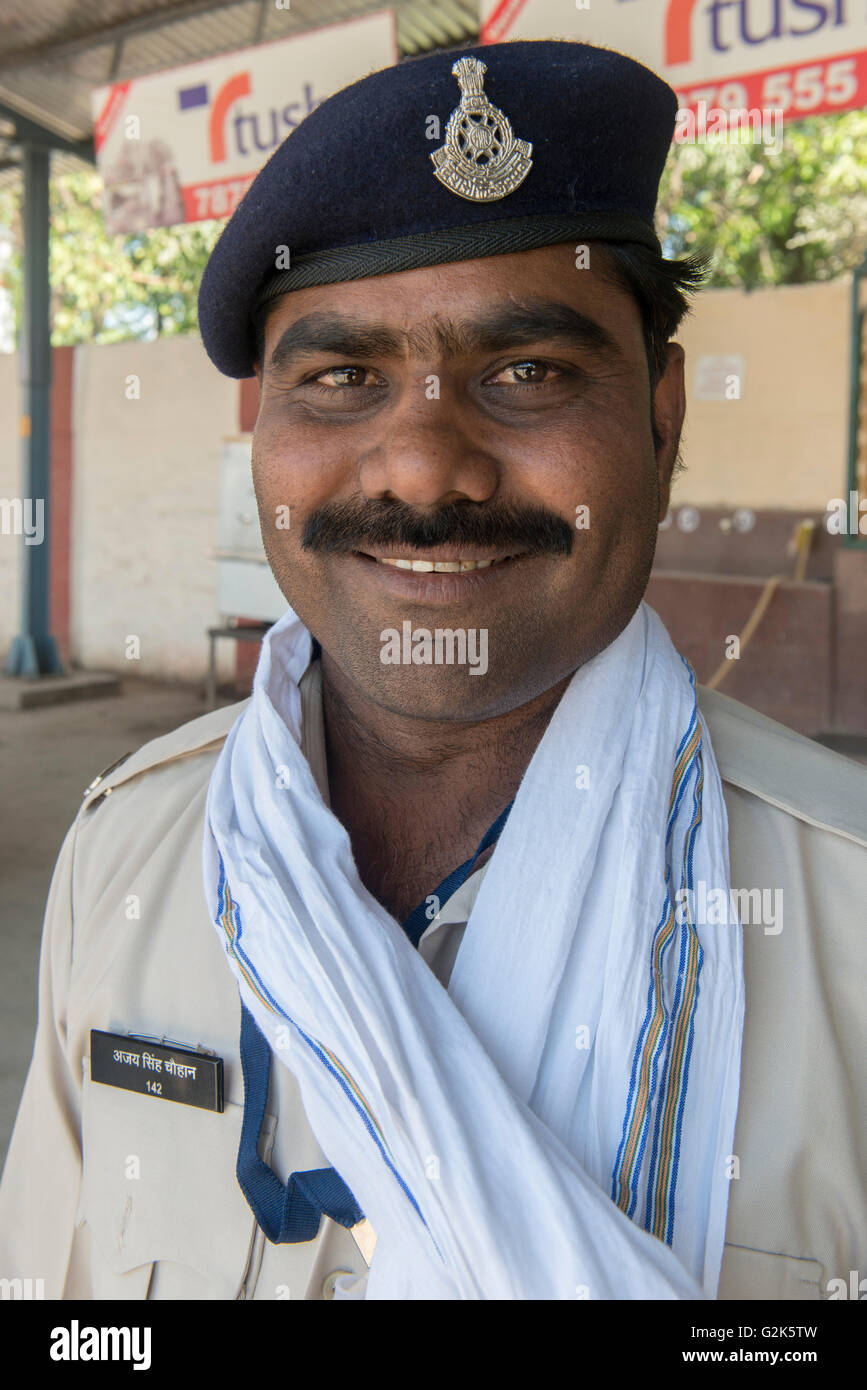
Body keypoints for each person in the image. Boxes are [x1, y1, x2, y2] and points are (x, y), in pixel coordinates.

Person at [1, 38, 864, 1301]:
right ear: (267, 439)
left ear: (663, 422)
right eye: (342, 377)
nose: (421, 468)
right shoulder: (125, 855)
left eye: (527, 373)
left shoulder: (845, 911)